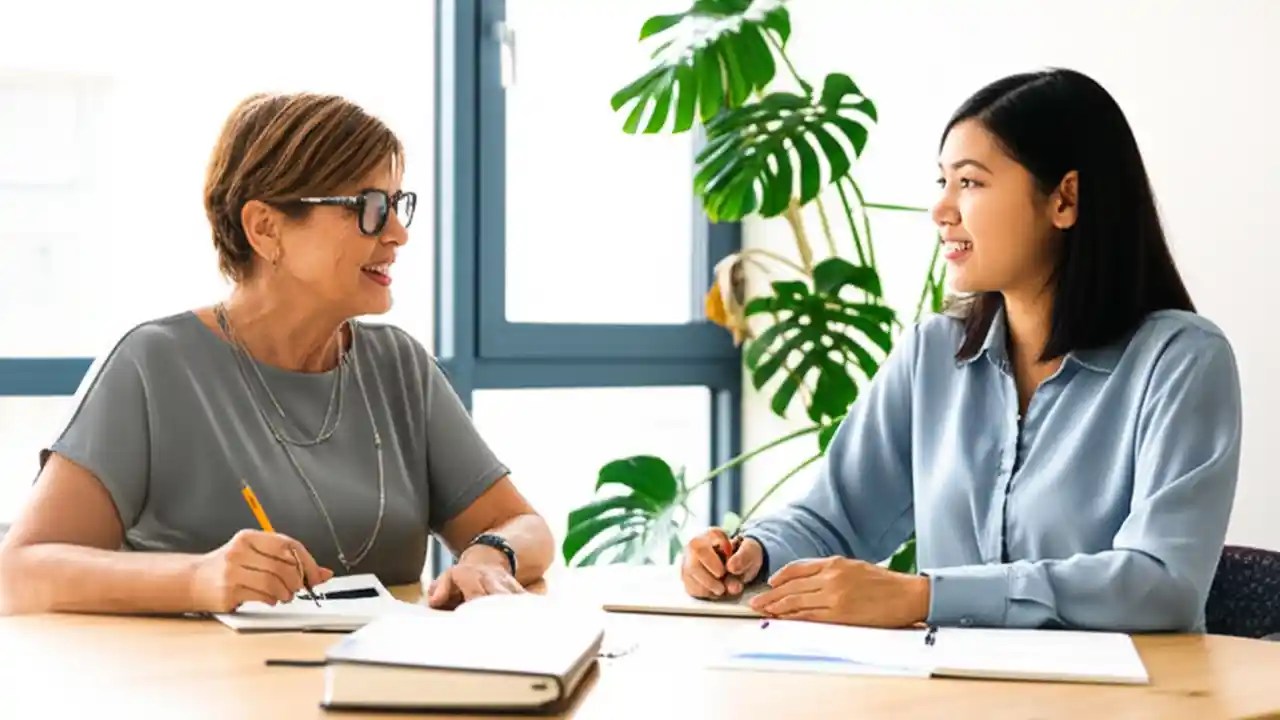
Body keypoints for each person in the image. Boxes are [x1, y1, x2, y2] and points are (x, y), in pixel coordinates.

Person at [681, 68, 1243, 633]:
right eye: (942, 182)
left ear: (1065, 199)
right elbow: (835, 517)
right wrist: (750, 553)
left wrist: (928, 598)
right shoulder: (933, 351)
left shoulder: (1181, 362)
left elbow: (1161, 583)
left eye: (970, 183)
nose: (942, 209)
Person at [0, 92, 553, 616]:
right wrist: (197, 578)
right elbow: (20, 572)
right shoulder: (153, 364)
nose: (398, 233)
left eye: (397, 204)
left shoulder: (400, 367)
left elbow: (521, 522)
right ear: (265, 228)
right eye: (370, 207)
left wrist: (488, 553)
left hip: (383, 696)